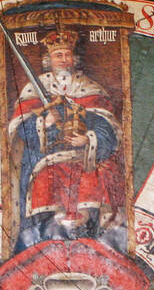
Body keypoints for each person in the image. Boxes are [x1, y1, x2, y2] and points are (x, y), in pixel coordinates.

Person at [7, 25, 125, 253]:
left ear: (74, 58)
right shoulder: (35, 88)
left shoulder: (89, 88)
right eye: (57, 55)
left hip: (84, 157)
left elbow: (106, 128)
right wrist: (44, 122)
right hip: (45, 158)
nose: (63, 59)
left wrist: (88, 140)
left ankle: (90, 242)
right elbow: (21, 129)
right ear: (48, 60)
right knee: (43, 180)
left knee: (94, 179)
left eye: (67, 54)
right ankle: (43, 244)